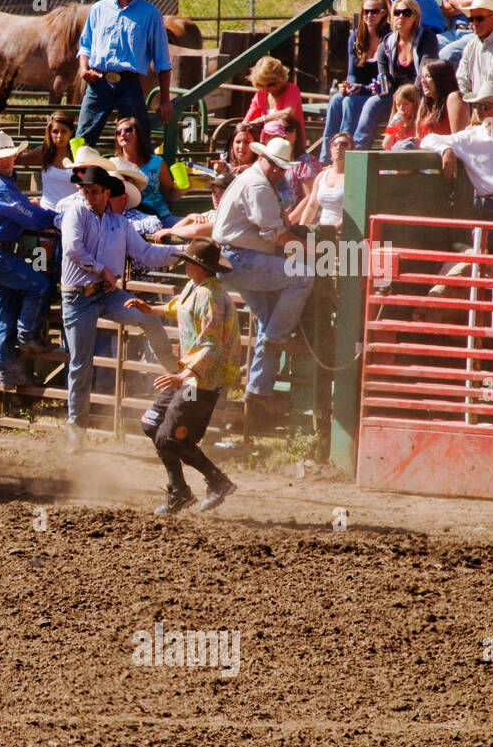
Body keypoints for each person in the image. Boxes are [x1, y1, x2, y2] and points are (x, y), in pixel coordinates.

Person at [59, 156, 181, 450]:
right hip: (78, 295)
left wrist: (182, 252)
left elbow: (146, 253)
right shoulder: (75, 213)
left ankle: (173, 371)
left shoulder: (120, 224)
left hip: (107, 293)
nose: (89, 195)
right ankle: (77, 425)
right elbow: (72, 248)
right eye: (86, 190)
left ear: (106, 193)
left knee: (149, 318)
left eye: (95, 190)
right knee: (81, 362)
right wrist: (101, 268)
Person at [128, 237, 240, 515]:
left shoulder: (211, 297)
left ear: (196, 265)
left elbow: (212, 345)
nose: (184, 265)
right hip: (190, 376)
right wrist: (151, 309)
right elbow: (179, 306)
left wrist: (185, 375)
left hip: (200, 380)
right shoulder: (197, 288)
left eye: (188, 261)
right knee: (151, 423)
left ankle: (215, 481)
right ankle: (181, 489)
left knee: (171, 438)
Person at [211, 136, 313, 414]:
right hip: (241, 258)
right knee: (303, 276)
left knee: (269, 318)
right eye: (275, 165)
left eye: (282, 167)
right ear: (262, 159)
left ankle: (259, 389)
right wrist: (308, 247)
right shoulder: (258, 185)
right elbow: (274, 234)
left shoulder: (254, 182)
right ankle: (276, 340)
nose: (278, 171)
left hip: (234, 259)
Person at [0, 129, 62, 389]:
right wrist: (54, 219)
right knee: (40, 286)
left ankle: (8, 375)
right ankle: (28, 334)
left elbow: (22, 208)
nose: (7, 161)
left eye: (10, 156)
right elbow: (26, 214)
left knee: (4, 316)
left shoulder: (1, 182)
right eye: (2, 158)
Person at [75, 0, 174, 149]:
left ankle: (143, 177)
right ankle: (79, 177)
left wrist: (165, 99)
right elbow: (85, 45)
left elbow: (162, 60)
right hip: (98, 82)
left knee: (140, 138)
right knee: (82, 139)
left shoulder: (151, 14)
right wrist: (83, 69)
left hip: (129, 83)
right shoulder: (98, 9)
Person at [421, 85, 493, 213]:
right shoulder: (469, 137)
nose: (478, 110)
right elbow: (428, 139)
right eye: (476, 106)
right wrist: (446, 149)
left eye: (484, 106)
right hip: (487, 208)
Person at [321, 0, 391, 158]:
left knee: (351, 102)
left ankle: (348, 156)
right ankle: (326, 159)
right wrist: (349, 86)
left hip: (381, 92)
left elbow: (386, 81)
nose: (369, 16)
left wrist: (362, 89)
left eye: (374, 11)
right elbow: (352, 73)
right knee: (337, 100)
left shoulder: (389, 38)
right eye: (365, 11)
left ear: (383, 13)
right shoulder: (356, 36)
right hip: (362, 91)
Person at [375, 0, 443, 136]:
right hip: (396, 99)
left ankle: (408, 146)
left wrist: (408, 99)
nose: (401, 17)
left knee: (410, 131)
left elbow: (425, 72)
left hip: (420, 96)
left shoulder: (427, 38)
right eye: (397, 13)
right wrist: (380, 87)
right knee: (369, 106)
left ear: (415, 17)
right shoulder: (386, 44)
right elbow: (384, 81)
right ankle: (356, 149)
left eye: (407, 13)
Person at [112, 115, 186, 227]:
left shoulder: (156, 162)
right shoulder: (113, 164)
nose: (122, 134)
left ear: (138, 134)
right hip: (129, 218)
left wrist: (182, 189)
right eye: (118, 132)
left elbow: (169, 194)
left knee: (194, 224)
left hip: (161, 216)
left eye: (128, 130)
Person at [17, 111, 77, 211]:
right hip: (46, 214)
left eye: (64, 131)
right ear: (49, 132)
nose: (59, 136)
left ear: (71, 132)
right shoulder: (44, 152)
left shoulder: (79, 153)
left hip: (72, 215)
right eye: (55, 131)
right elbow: (18, 160)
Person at [154, 172, 234, 242]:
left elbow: (196, 231)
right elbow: (175, 229)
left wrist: (170, 231)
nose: (216, 196)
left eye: (221, 192)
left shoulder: (232, 215)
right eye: (214, 192)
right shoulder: (210, 214)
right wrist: (188, 218)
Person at [297, 134, 352, 228]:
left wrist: (333, 230)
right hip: (323, 230)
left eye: (344, 144)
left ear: (352, 150)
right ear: (330, 149)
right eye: (335, 144)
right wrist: (302, 228)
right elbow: (312, 206)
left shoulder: (354, 178)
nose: (338, 147)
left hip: (344, 234)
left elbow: (353, 211)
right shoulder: (321, 176)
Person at [243, 56, 306, 133]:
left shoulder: (292, 90)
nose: (265, 88)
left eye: (270, 85)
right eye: (261, 85)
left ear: (279, 80)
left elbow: (287, 113)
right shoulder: (260, 94)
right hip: (266, 140)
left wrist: (263, 119)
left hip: (289, 140)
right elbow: (248, 119)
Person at [416, 57, 470, 137]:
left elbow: (459, 139)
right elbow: (418, 138)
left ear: (441, 78)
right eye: (422, 77)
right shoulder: (425, 103)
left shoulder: (454, 98)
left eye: (428, 76)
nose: (423, 81)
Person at [382, 83, 421, 147]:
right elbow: (385, 145)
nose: (401, 108)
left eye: (406, 104)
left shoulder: (418, 124)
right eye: (398, 105)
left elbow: (410, 148)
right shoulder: (394, 123)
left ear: (415, 105)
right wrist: (394, 126)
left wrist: (401, 134)